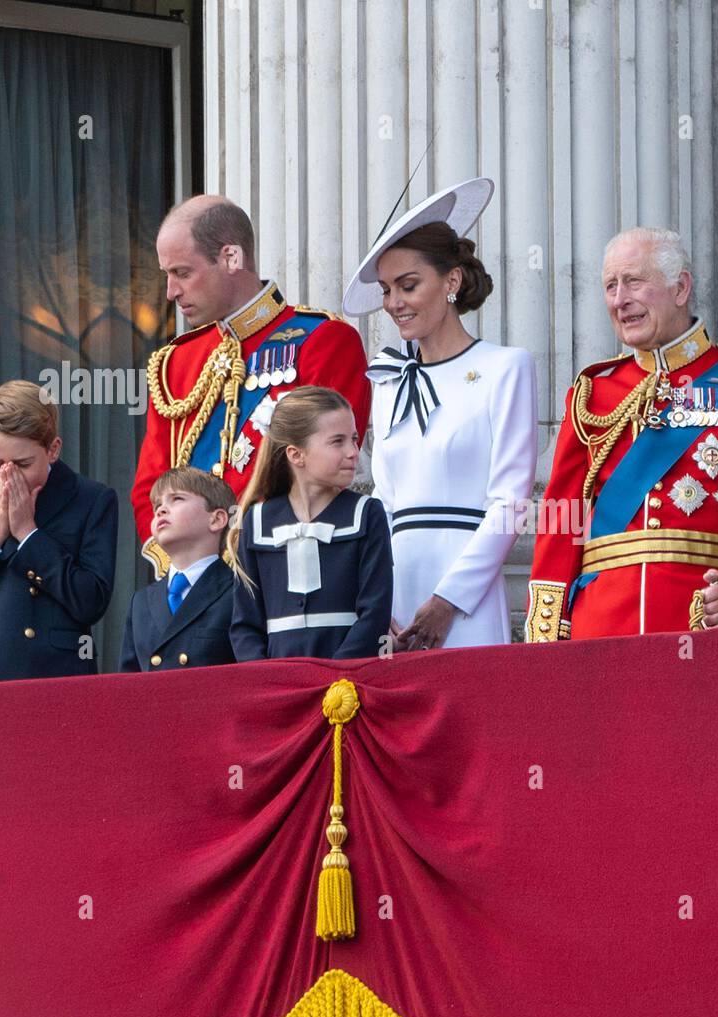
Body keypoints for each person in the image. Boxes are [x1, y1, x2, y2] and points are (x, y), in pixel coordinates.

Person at [526, 227, 718, 641]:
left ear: (681, 288)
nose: (620, 300)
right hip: (600, 627)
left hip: (705, 621)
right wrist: (546, 638)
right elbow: (560, 521)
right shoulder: (591, 394)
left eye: (634, 281)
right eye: (610, 286)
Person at [342, 177, 536, 649]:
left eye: (408, 285)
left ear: (451, 282)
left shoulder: (505, 367)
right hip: (395, 599)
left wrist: (448, 600)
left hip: (466, 597)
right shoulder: (387, 381)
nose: (393, 303)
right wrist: (377, 598)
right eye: (387, 289)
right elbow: (384, 502)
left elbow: (510, 504)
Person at [132, 195, 370, 576]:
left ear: (231, 258)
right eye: (167, 275)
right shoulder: (176, 362)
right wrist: (184, 563)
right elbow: (151, 484)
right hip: (191, 581)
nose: (171, 292)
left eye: (182, 273)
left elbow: (327, 474)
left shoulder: (321, 340)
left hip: (282, 574)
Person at [0, 380, 118, 685]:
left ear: (53, 449)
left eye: (23, 464)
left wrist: (30, 535)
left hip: (56, 677)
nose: (7, 475)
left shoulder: (91, 499)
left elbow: (90, 601)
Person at [228, 387, 393, 661]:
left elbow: (375, 613)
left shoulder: (366, 513)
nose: (354, 452)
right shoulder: (256, 522)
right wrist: (263, 677)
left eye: (353, 439)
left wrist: (335, 675)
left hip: (348, 682)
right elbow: (245, 624)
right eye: (337, 442)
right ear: (296, 454)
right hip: (276, 683)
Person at [120, 468, 237, 672]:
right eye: (158, 505)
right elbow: (127, 683)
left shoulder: (239, 592)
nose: (160, 510)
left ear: (217, 519)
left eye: (177, 499)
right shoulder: (140, 602)